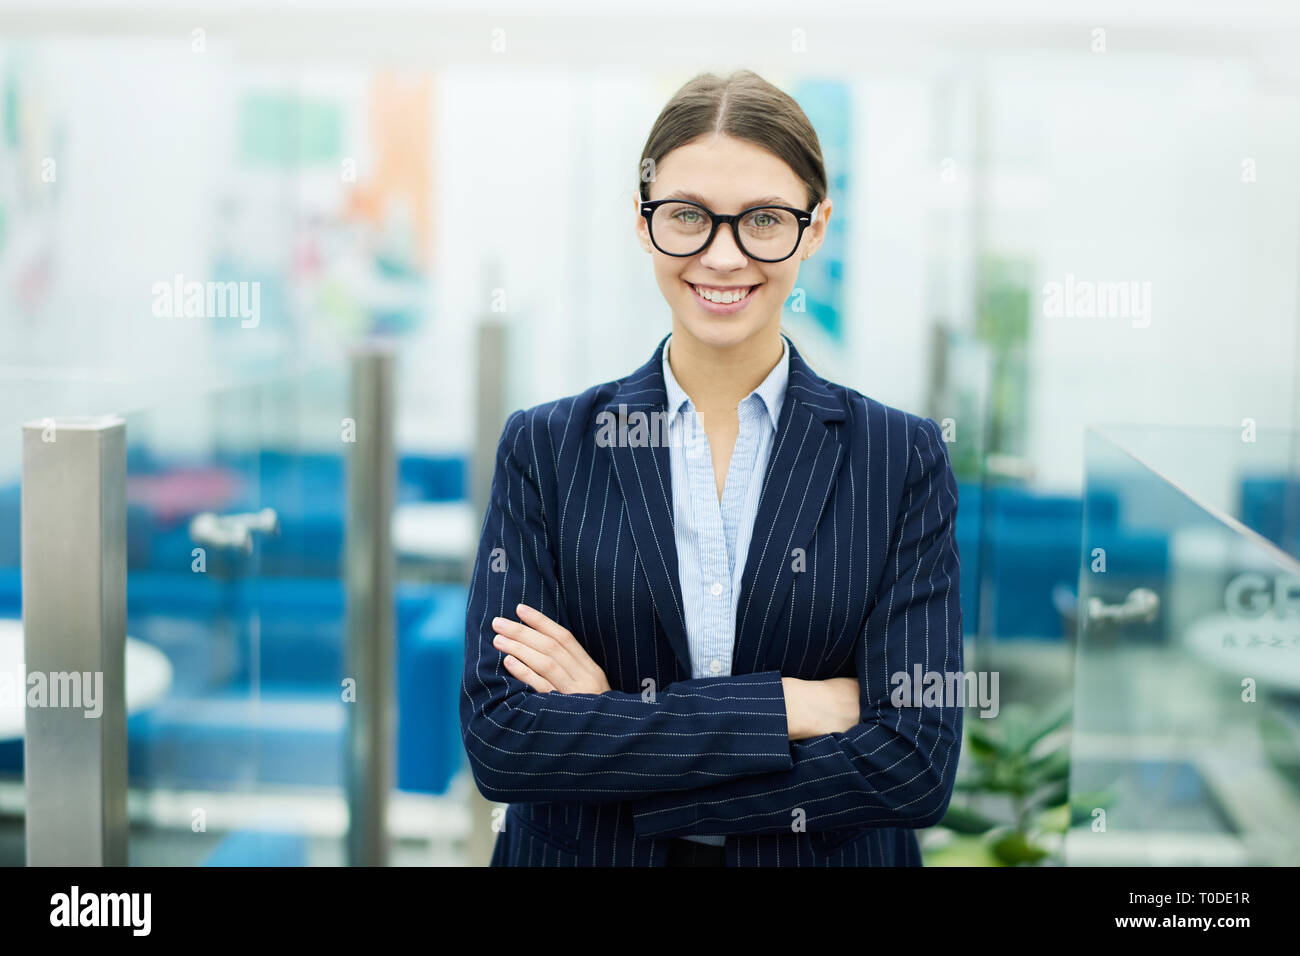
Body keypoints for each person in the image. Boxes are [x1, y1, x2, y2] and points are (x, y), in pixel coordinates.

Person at [460, 69, 962, 867]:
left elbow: (914, 764)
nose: (723, 257)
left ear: (816, 225)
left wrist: (611, 726)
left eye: (764, 219)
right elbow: (506, 742)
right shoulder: (546, 449)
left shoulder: (899, 458)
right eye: (689, 216)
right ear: (642, 220)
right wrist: (787, 708)